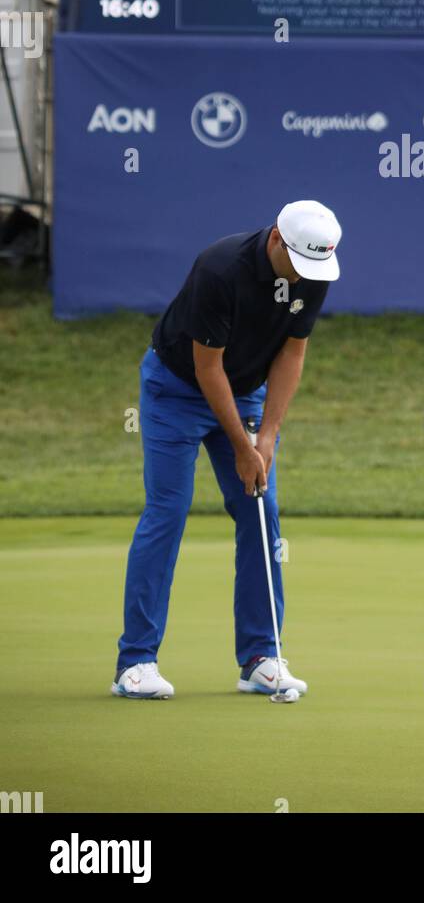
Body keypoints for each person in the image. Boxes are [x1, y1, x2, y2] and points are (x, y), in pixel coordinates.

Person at [111, 200, 342, 700]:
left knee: (261, 511)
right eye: (299, 267)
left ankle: (260, 657)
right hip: (176, 389)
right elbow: (206, 369)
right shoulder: (220, 268)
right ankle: (136, 662)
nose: (305, 279)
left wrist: (268, 435)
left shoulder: (315, 265)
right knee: (168, 511)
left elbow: (292, 353)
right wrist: (242, 445)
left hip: (247, 392)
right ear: (277, 240)